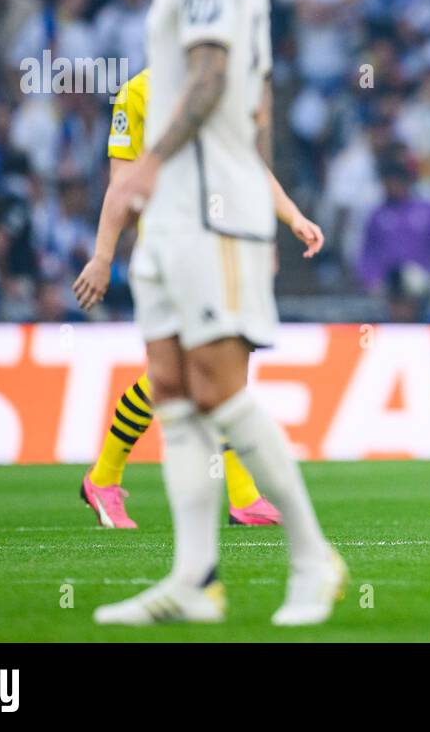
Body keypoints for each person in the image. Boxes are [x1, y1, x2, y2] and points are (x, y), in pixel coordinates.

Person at [90, 0, 344, 626]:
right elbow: (255, 105)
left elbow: (207, 78)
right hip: (179, 216)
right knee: (173, 392)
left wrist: (147, 164)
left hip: (204, 210)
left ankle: (313, 558)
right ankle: (195, 577)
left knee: (220, 390)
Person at [74, 67, 326, 529]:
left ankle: (238, 494)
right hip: (170, 249)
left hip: (225, 247)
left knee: (219, 370)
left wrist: (292, 216)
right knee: (179, 373)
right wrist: (102, 257)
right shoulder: (139, 92)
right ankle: (106, 477)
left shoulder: (225, 87)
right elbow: (122, 184)